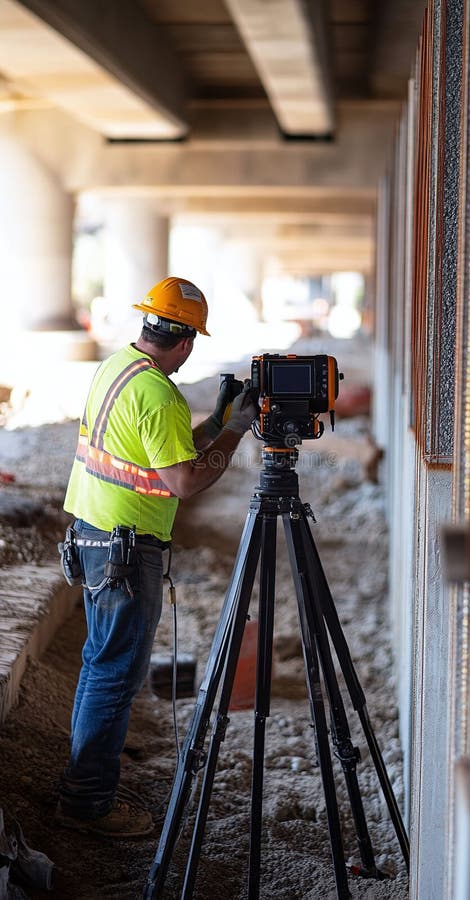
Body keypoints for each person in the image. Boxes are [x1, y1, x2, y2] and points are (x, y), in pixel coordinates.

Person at [56, 276, 258, 838]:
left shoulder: (117, 368)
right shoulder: (161, 395)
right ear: (188, 340)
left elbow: (161, 452)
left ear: (148, 324)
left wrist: (218, 422)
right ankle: (89, 802)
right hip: (126, 551)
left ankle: (82, 788)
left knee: (101, 667)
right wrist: (238, 432)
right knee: (116, 675)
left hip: (94, 537)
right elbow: (184, 481)